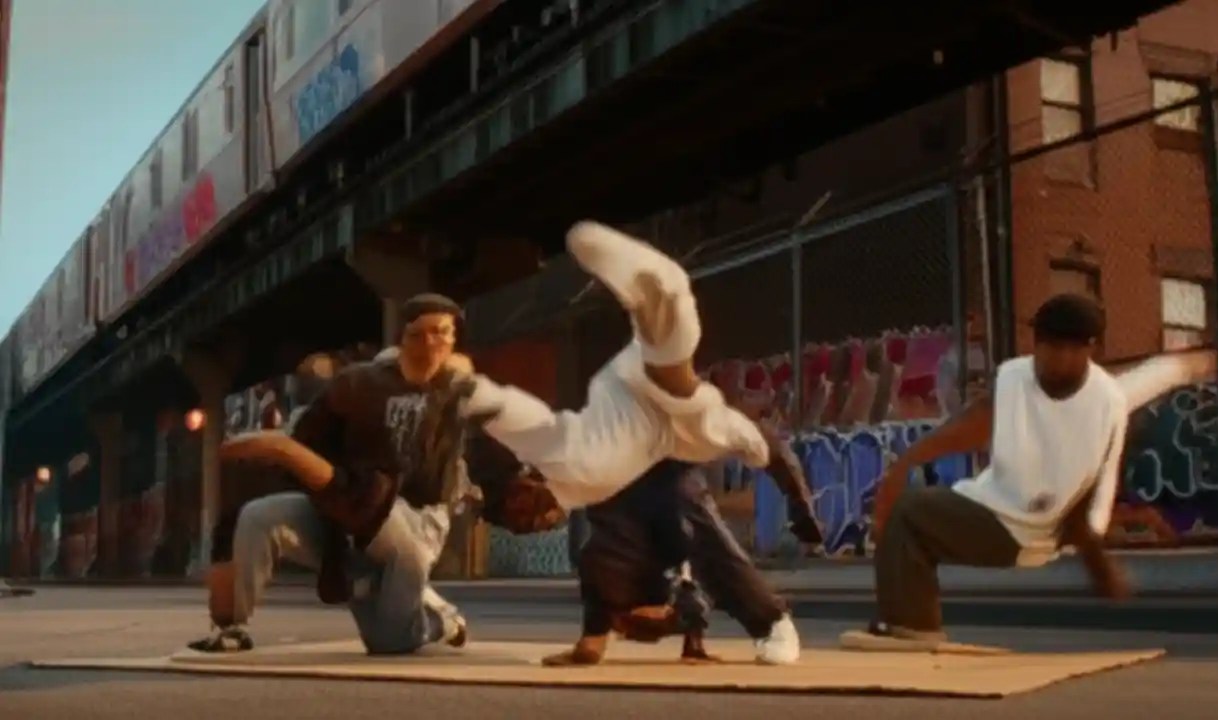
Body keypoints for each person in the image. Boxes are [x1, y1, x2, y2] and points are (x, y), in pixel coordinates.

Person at [449, 221, 801, 657]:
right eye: (536, 522)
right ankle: (757, 620)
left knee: (678, 404)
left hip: (659, 423)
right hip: (646, 444)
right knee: (620, 548)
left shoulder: (563, 459)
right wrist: (592, 643)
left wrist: (464, 389)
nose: (541, 520)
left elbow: (515, 416)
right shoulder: (586, 500)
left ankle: (770, 621)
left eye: (533, 517)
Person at [845, 293, 1217, 650]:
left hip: (1031, 529)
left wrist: (1099, 566)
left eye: (1074, 351)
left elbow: (1092, 497)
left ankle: (911, 626)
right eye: (1051, 349)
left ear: (1091, 351)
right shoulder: (1013, 376)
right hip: (992, 505)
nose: (1060, 361)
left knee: (911, 512)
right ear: (1036, 344)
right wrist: (906, 462)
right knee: (911, 513)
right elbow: (973, 422)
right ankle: (915, 620)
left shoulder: (1106, 404)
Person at [189, 294, 483, 655]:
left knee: (388, 641)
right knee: (258, 516)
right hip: (346, 516)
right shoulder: (353, 392)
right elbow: (302, 451)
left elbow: (487, 457)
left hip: (413, 524)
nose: (429, 345)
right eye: (419, 335)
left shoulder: (454, 397)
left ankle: (442, 618)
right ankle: (233, 628)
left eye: (440, 334)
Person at [539, 423, 822, 667]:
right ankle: (596, 634)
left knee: (698, 532)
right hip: (621, 499)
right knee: (604, 548)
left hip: (676, 496)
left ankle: (771, 621)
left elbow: (766, 443)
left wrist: (800, 503)